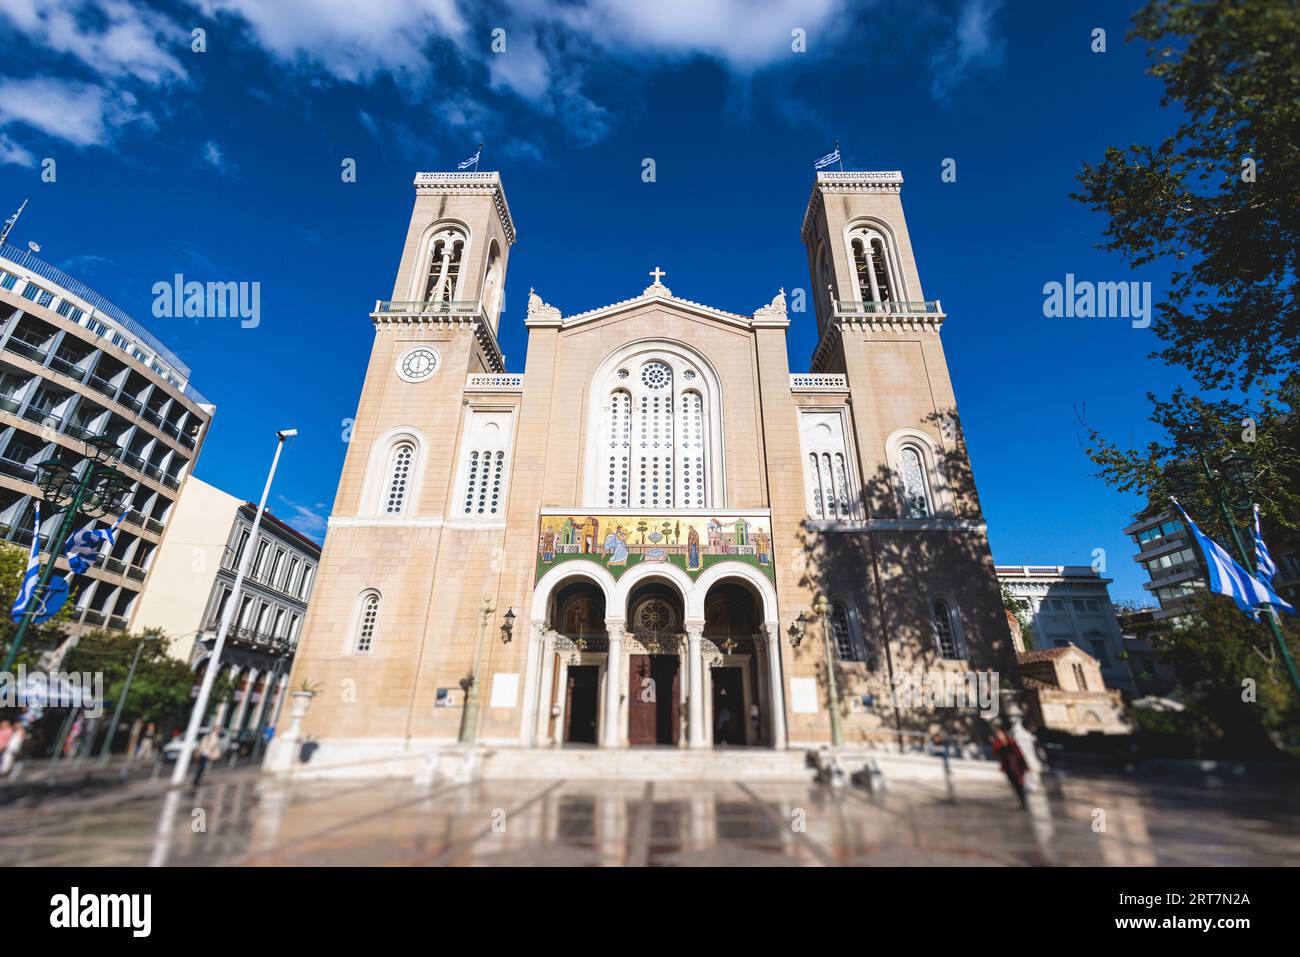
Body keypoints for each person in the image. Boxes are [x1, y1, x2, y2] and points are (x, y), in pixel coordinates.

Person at [990, 726, 1028, 809]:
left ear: (1004, 734)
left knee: (1020, 784)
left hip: (1017, 767)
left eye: (1000, 734)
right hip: (1008, 768)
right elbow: (995, 753)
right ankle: (1022, 801)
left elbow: (1019, 754)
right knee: (1015, 785)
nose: (999, 736)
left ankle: (1024, 802)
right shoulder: (997, 744)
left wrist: (1025, 765)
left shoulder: (1011, 742)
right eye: (997, 734)